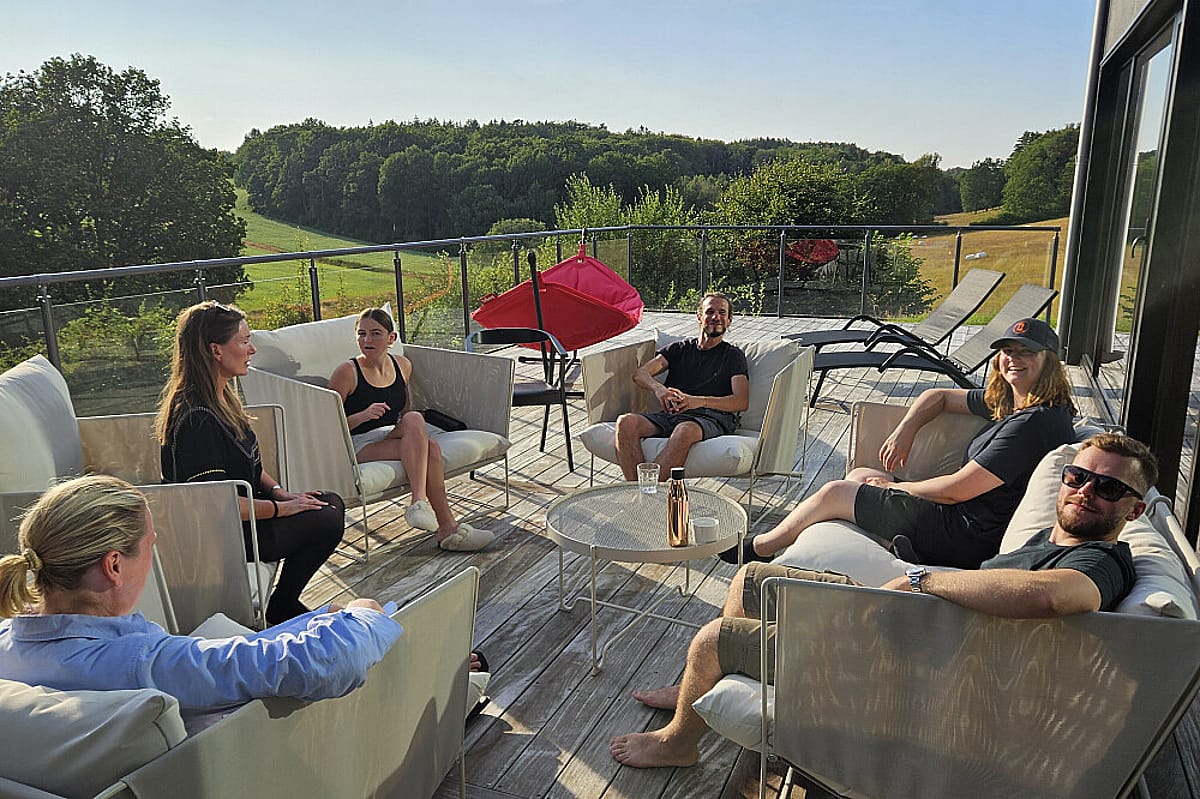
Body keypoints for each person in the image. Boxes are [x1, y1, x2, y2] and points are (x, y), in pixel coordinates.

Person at [612, 433, 1154, 769]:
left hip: (906, 656)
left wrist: (924, 582)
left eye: (1107, 489)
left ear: (1132, 511)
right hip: (901, 619)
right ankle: (738, 681)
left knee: (712, 640)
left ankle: (681, 741)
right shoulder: (1057, 540)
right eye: (1079, 477)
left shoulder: (1099, 562)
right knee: (753, 576)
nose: (1086, 491)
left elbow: (1060, 598)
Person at [0, 475, 399, 726]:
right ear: (115, 566)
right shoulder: (145, 665)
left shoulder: (8, 643)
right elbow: (322, 660)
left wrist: (310, 622)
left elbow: (234, 659)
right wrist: (360, 613)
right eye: (150, 546)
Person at [724, 316, 1077, 568]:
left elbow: (959, 490)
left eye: (1026, 352)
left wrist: (900, 489)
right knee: (862, 473)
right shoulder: (1013, 402)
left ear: (1050, 362)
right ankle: (888, 539)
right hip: (963, 517)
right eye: (1008, 351)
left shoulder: (1034, 423)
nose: (1013, 359)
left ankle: (760, 548)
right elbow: (938, 395)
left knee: (836, 492)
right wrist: (903, 431)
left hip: (968, 534)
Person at [156, 301, 345, 625]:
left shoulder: (221, 398)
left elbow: (251, 466)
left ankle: (283, 604)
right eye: (243, 341)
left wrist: (282, 493)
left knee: (326, 503)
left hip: (239, 520)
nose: (252, 349)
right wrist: (281, 509)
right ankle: (283, 606)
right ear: (216, 350)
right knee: (326, 517)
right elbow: (214, 503)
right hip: (221, 536)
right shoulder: (195, 419)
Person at [328, 308, 493, 552]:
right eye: (361, 334)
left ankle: (428, 512)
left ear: (391, 338)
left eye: (375, 334)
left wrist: (409, 436)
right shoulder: (347, 372)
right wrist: (361, 416)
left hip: (387, 435)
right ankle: (440, 521)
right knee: (432, 449)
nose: (367, 340)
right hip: (356, 443)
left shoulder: (402, 365)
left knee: (417, 422)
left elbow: (404, 412)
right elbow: (327, 428)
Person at [615, 293, 749, 481]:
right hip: (672, 414)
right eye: (709, 311)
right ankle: (638, 490)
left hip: (711, 418)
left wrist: (697, 401)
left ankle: (647, 495)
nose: (715, 317)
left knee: (685, 430)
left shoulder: (733, 356)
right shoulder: (679, 349)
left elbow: (741, 401)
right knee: (626, 422)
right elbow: (640, 374)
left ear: (729, 320)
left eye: (721, 312)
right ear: (699, 317)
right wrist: (659, 389)